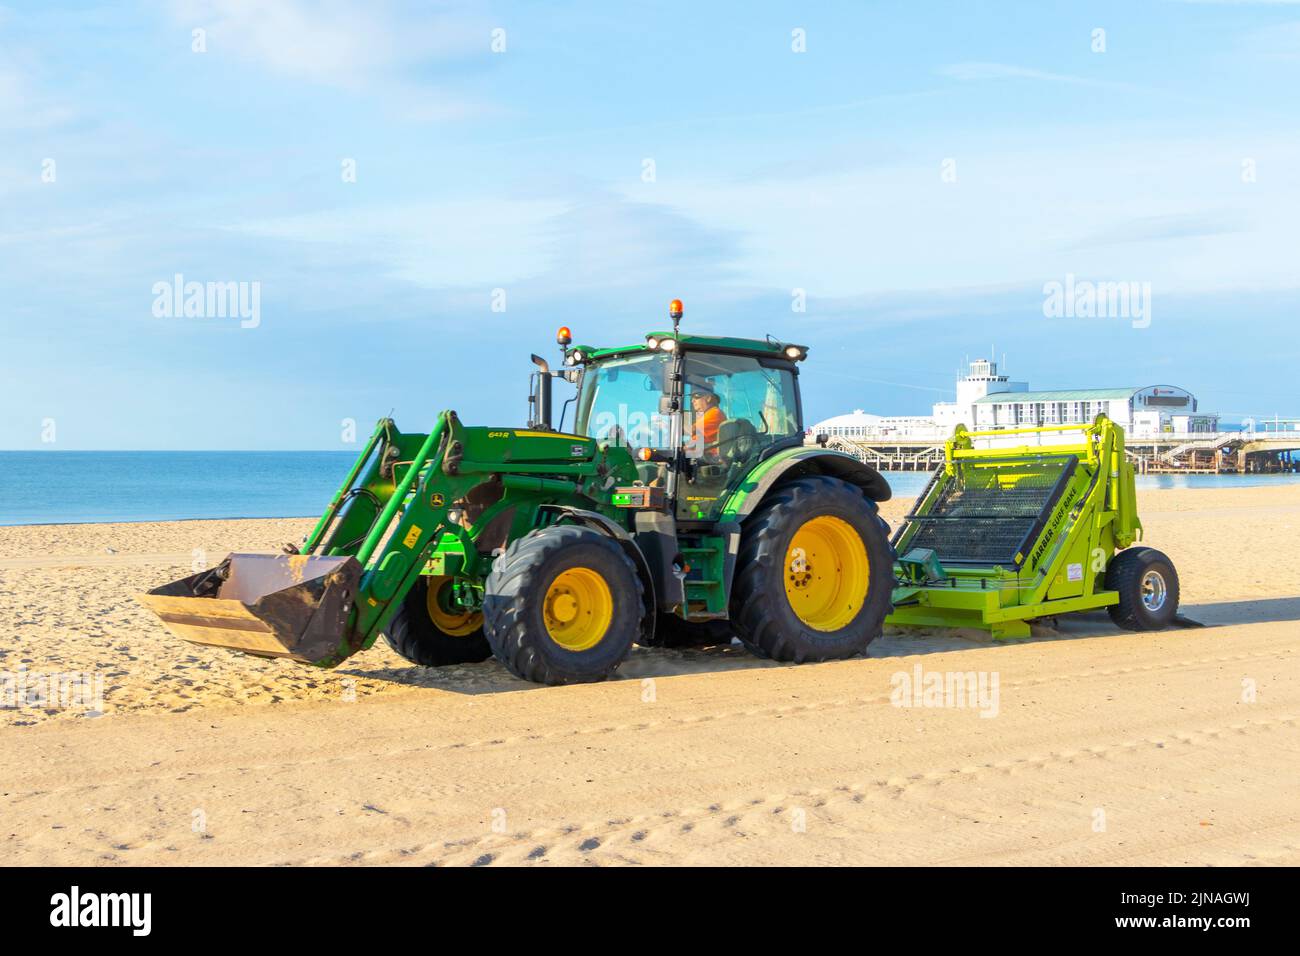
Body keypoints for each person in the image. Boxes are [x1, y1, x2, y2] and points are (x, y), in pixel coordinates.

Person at [688, 386, 724, 458]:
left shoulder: (714, 413)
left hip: (709, 458)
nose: (692, 401)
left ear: (708, 398)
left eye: (696, 397)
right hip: (702, 455)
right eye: (692, 398)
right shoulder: (708, 414)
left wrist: (667, 426)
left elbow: (691, 430)